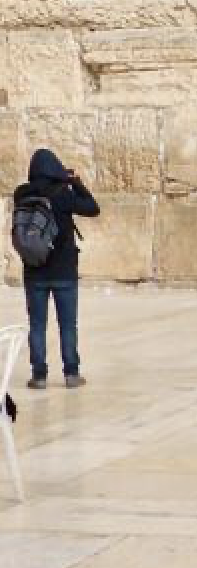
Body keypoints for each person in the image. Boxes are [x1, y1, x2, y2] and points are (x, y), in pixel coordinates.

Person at [14, 148, 100, 390]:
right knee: (67, 325)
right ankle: (71, 374)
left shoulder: (21, 194)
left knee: (37, 325)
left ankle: (39, 376)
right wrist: (75, 183)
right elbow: (93, 208)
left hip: (34, 271)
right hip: (64, 272)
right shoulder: (63, 193)